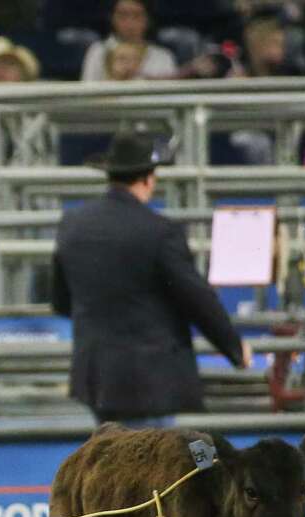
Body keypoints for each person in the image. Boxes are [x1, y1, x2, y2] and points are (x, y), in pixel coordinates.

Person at [50, 131, 250, 425]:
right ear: (148, 179)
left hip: (98, 378)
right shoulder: (159, 232)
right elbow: (197, 300)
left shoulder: (73, 225)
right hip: (149, 382)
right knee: (162, 463)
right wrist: (234, 348)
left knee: (118, 461)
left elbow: (61, 301)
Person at [80, 0, 177, 82]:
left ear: (148, 20)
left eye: (137, 16)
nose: (130, 23)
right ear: (112, 18)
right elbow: (86, 95)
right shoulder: (98, 52)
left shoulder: (163, 57)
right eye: (123, 15)